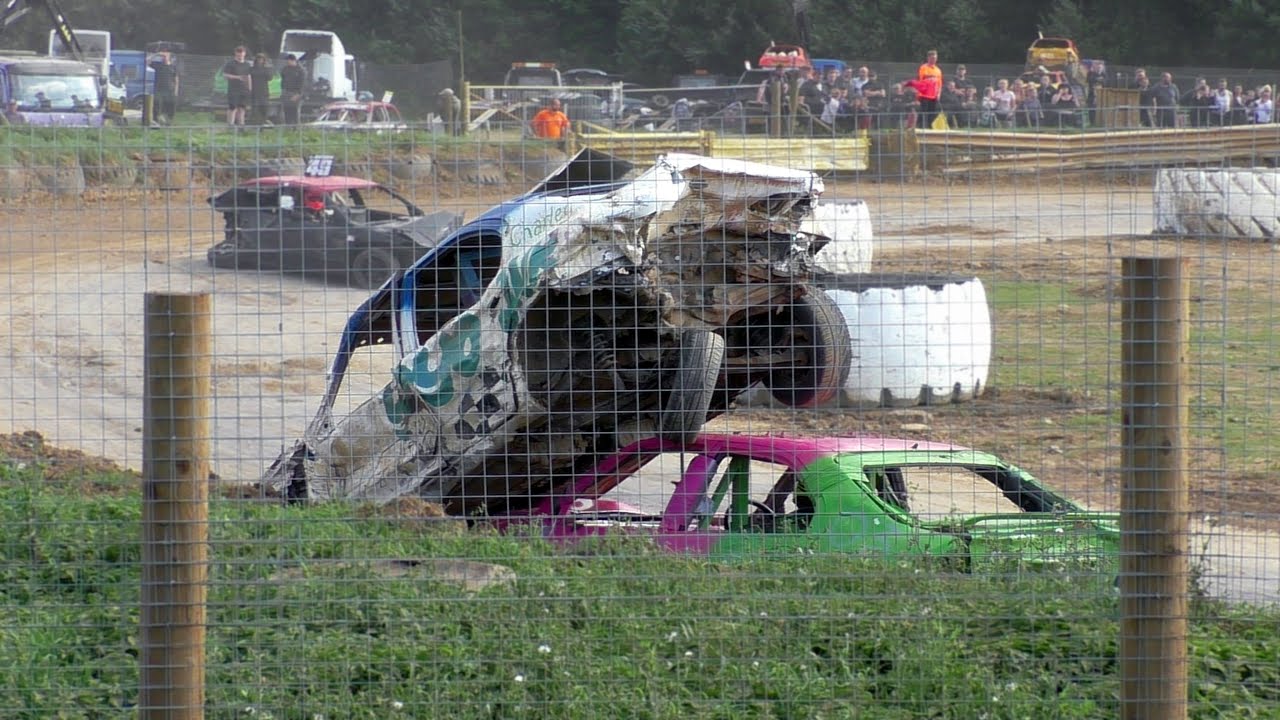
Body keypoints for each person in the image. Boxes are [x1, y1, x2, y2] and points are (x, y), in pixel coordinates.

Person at [222, 45, 251, 126]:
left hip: (244, 90)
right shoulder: (230, 64)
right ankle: (230, 125)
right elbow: (225, 75)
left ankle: (241, 126)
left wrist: (250, 88)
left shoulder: (247, 64)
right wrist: (237, 77)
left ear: (244, 54)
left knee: (242, 108)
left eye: (241, 54)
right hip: (233, 89)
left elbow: (249, 76)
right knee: (233, 107)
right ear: (235, 53)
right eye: (238, 54)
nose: (240, 56)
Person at [149, 50, 179, 126]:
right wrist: (156, 54)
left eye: (167, 54)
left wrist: (176, 91)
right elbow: (147, 62)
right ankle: (155, 120)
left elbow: (176, 79)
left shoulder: (173, 66)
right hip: (158, 88)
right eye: (164, 53)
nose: (165, 55)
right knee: (156, 103)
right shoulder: (157, 65)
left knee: (170, 105)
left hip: (169, 89)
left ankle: (168, 121)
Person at [915, 49, 943, 128]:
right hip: (925, 94)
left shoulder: (938, 70)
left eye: (935, 58)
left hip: (934, 95)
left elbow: (940, 84)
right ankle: (919, 127)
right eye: (932, 58)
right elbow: (920, 80)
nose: (933, 59)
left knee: (932, 112)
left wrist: (939, 93)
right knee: (924, 111)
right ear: (928, 58)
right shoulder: (923, 68)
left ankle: (930, 128)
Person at [279, 53, 306, 125]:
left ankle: (296, 128)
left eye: (288, 60)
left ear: (293, 60)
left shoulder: (300, 70)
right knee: (287, 111)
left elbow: (302, 83)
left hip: (295, 93)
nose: (287, 62)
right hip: (286, 92)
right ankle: (288, 127)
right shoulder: (285, 69)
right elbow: (283, 80)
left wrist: (298, 94)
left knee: (295, 112)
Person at [249, 53, 274, 125]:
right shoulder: (252, 69)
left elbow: (270, 78)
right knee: (255, 109)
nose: (260, 60)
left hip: (264, 91)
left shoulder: (266, 69)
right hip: (254, 91)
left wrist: (268, 68)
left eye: (262, 59)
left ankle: (264, 122)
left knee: (264, 108)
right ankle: (256, 124)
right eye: (258, 59)